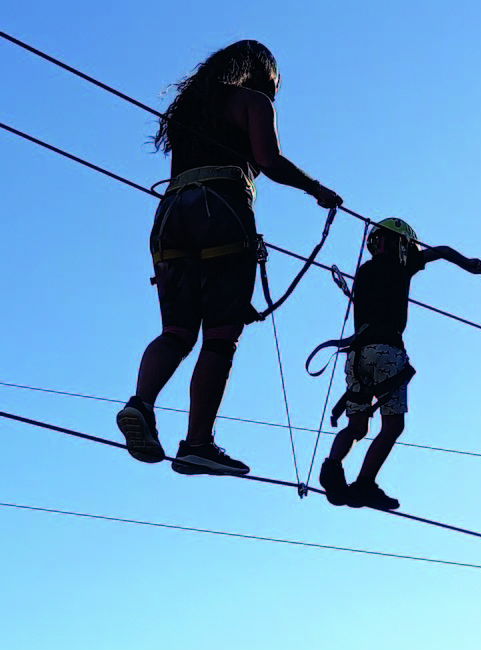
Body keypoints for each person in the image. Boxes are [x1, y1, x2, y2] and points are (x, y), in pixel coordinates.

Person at [116, 40, 342, 476]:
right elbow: (269, 161)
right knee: (220, 336)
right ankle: (197, 442)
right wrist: (317, 190)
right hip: (222, 210)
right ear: (262, 75)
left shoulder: (190, 110)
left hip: (170, 215)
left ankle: (140, 403)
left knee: (177, 332)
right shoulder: (252, 102)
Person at [319, 218, 481, 510]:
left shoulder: (364, 270)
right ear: (402, 245)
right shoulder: (400, 265)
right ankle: (365, 483)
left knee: (357, 426)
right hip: (387, 352)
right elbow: (443, 251)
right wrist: (468, 264)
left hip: (356, 356)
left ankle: (332, 468)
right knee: (393, 425)